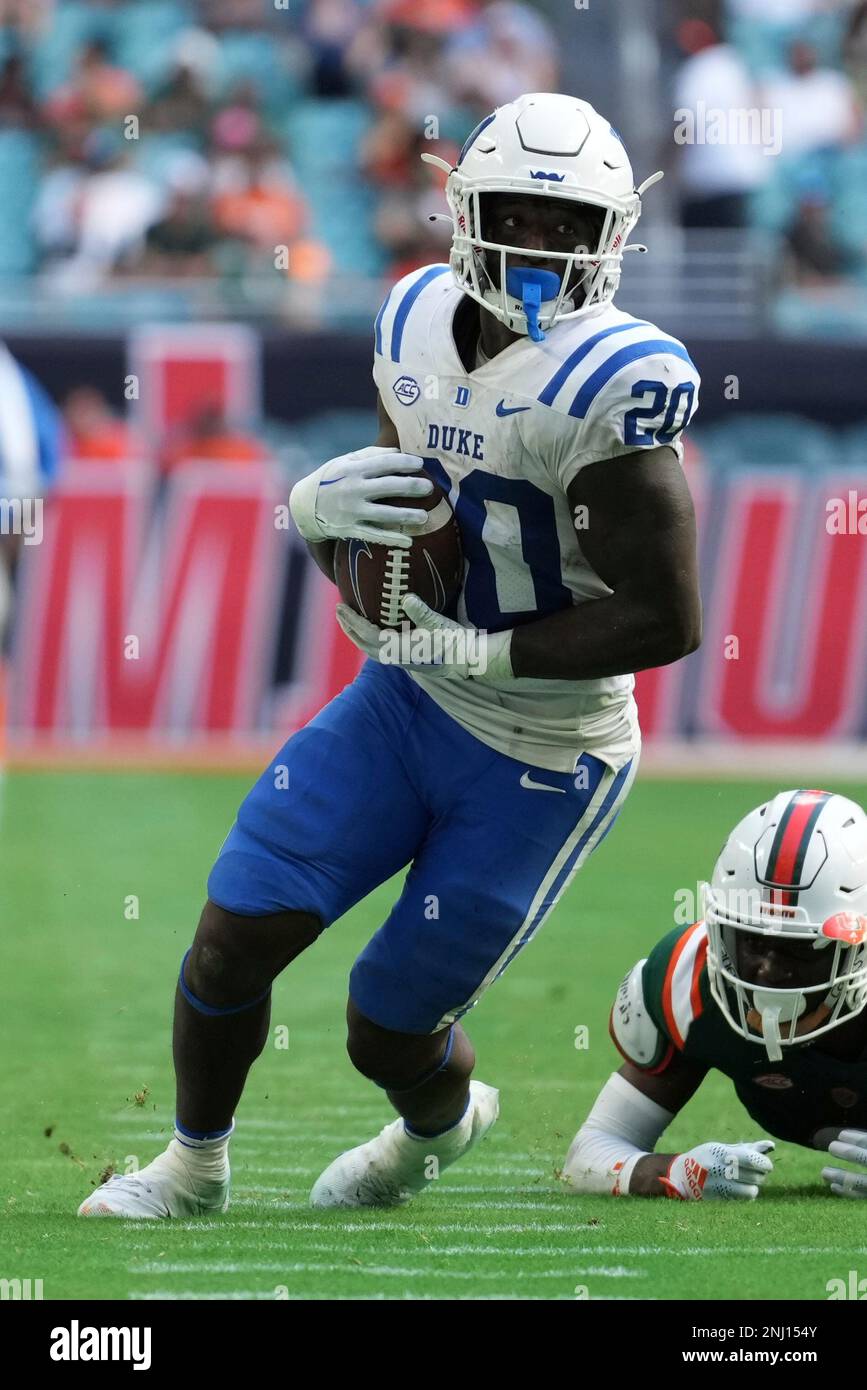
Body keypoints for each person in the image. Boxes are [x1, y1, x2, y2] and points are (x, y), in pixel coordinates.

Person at [78, 93, 702, 1220]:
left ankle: (436, 1127)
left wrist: (487, 647)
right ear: (466, 211)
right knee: (235, 931)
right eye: (521, 213)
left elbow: (668, 617)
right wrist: (320, 519)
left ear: (614, 236)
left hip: (543, 746)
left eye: (571, 226)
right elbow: (399, 519)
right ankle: (192, 1165)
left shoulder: (613, 379)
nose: (542, 248)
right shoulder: (413, 316)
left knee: (387, 1023)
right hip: (406, 701)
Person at [562, 790, 867, 1201]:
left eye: (797, 949)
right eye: (752, 941)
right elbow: (591, 1153)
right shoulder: (692, 982)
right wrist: (674, 1173)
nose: (767, 972)